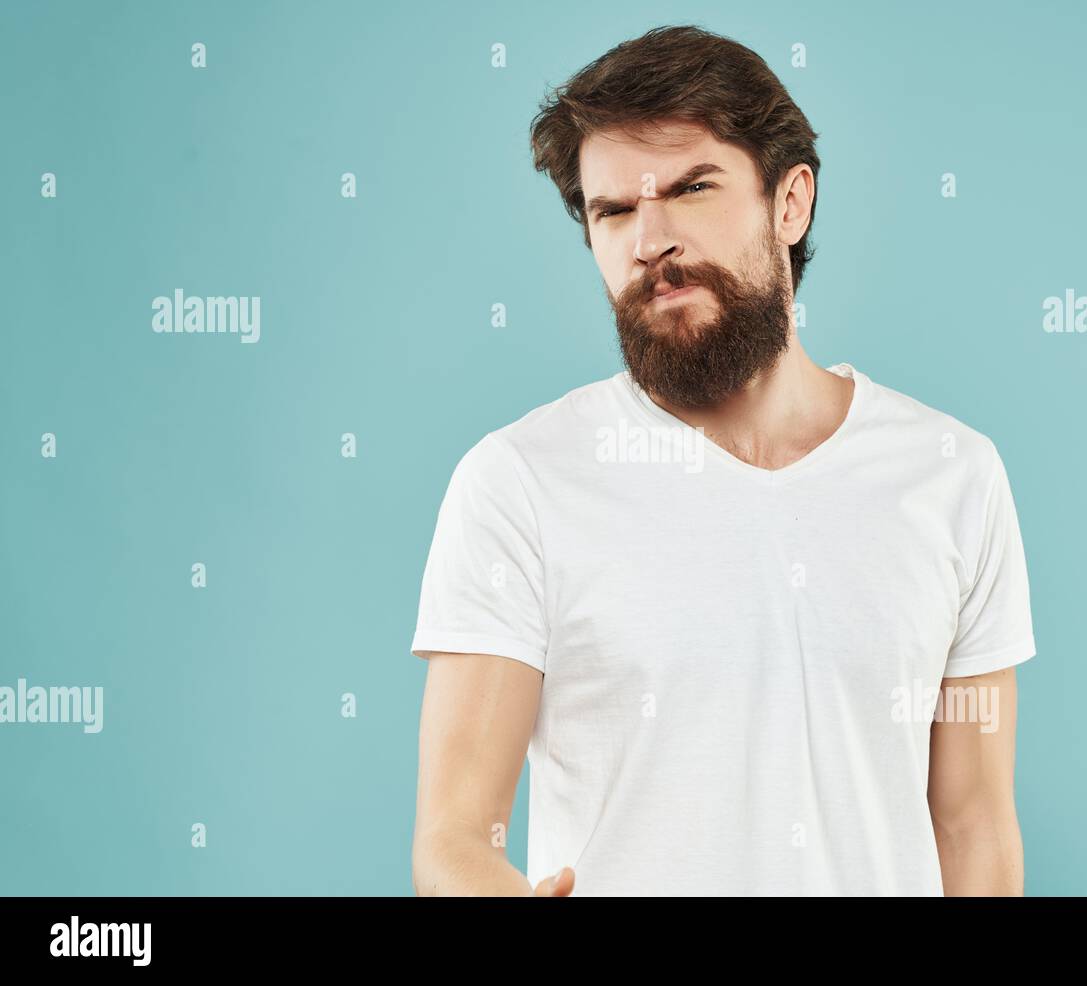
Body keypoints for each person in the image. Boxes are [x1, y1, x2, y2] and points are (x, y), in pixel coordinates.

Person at [410, 24, 1036, 896]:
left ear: (791, 202)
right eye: (615, 211)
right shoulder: (518, 484)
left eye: (691, 188)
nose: (649, 240)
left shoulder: (951, 475)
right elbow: (451, 841)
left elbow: (973, 828)